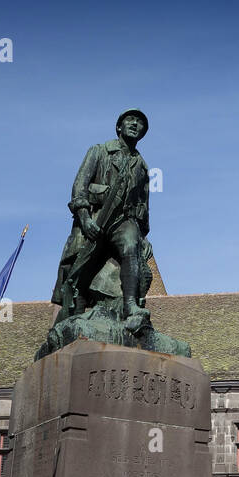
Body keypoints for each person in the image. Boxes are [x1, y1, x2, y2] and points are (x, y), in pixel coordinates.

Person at [51, 109, 154, 329]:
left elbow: (143, 206)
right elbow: (79, 187)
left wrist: (143, 236)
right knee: (81, 266)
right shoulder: (99, 151)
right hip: (95, 217)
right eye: (130, 120)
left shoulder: (143, 168)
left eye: (140, 123)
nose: (135, 124)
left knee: (130, 245)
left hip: (123, 222)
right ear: (119, 127)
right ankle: (75, 313)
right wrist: (85, 218)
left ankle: (130, 306)